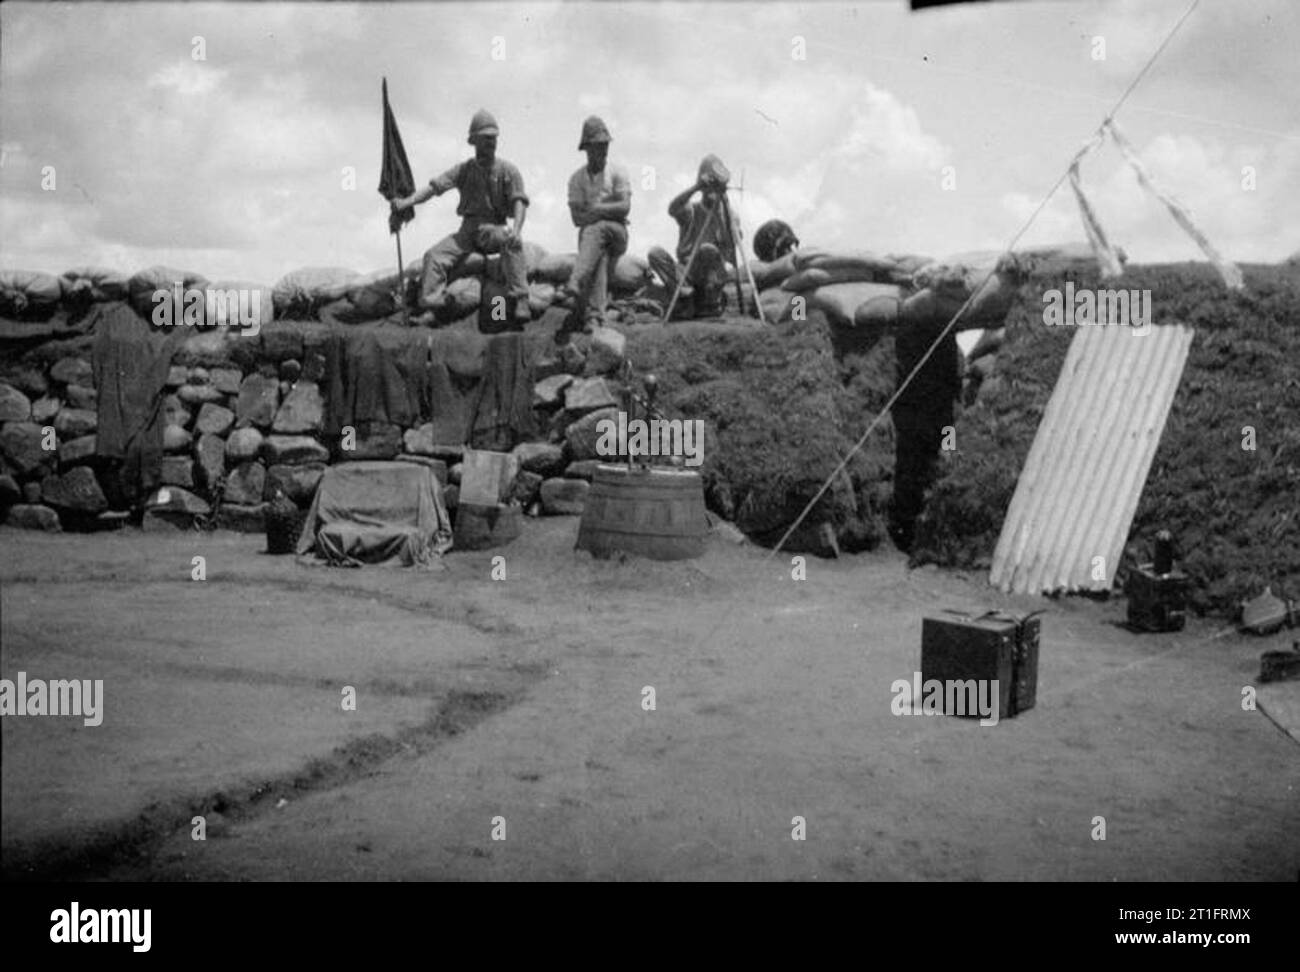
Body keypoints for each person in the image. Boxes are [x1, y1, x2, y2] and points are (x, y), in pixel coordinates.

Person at [390, 109, 531, 326]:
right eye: (485, 139)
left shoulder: (508, 170)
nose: (491, 143)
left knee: (512, 242)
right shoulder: (464, 170)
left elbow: (519, 201)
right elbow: (434, 188)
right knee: (433, 256)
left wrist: (517, 230)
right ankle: (432, 309)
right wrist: (407, 202)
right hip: (467, 231)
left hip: (493, 228)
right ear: (473, 141)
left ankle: (520, 299)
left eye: (493, 138)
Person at [555, 116, 631, 332]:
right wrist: (604, 212)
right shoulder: (576, 179)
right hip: (592, 239)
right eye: (598, 146)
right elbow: (575, 219)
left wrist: (597, 210)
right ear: (587, 148)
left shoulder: (617, 172)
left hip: (618, 233)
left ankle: (575, 280)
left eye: (605, 145)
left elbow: (625, 207)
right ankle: (594, 317)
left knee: (595, 230)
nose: (603, 150)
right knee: (599, 255)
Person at [647, 155, 740, 319]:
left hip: (713, 273)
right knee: (655, 253)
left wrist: (721, 210)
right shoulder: (691, 210)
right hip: (687, 272)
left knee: (707, 250)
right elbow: (672, 209)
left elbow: (733, 245)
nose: (711, 192)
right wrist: (695, 188)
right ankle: (686, 297)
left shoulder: (729, 215)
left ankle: (711, 303)